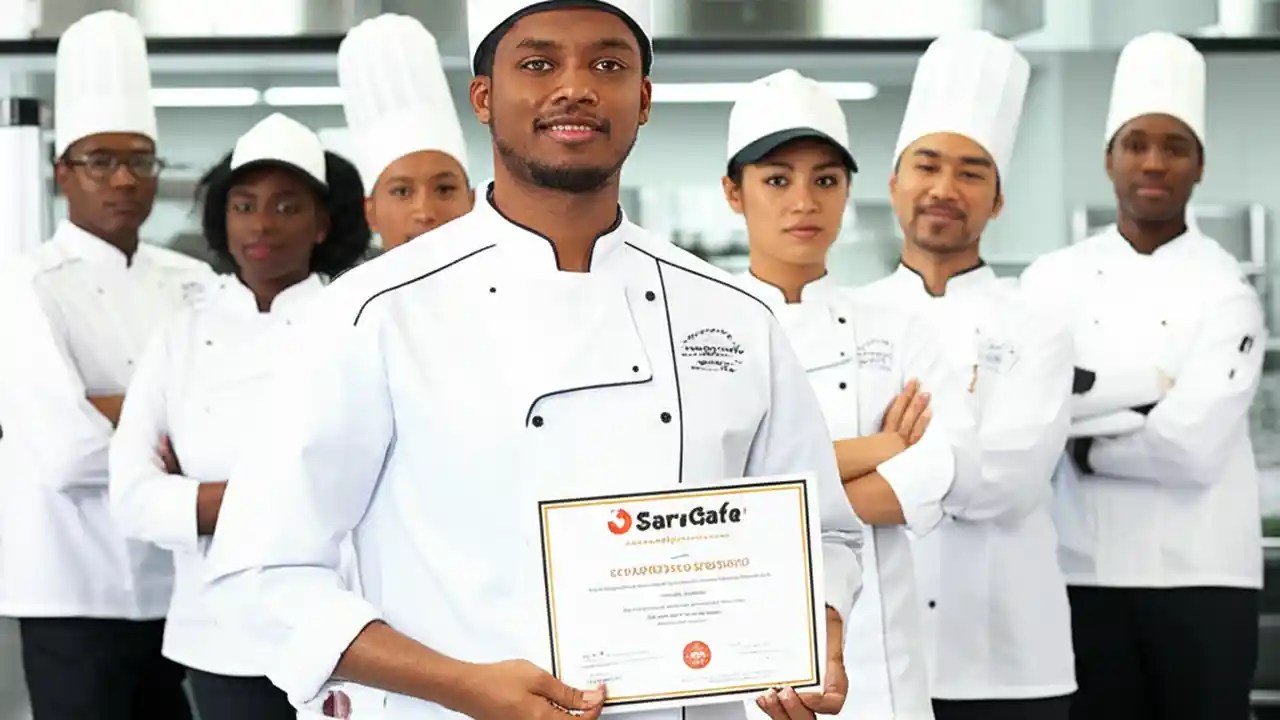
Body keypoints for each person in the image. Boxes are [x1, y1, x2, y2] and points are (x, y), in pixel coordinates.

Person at [203, 2, 863, 720]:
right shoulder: (375, 313)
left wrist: (813, 630)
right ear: (483, 97)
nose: (575, 87)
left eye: (608, 65)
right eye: (539, 63)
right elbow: (262, 570)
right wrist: (461, 685)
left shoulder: (733, 315)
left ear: (642, 99)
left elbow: (823, 533)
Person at [1021, 32, 1265, 720]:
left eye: (1174, 145)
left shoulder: (1229, 289)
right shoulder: (1050, 281)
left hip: (1207, 578)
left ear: (1199, 165)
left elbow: (1191, 448)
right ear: (1109, 158)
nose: (1153, 162)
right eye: (1136, 143)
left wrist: (1087, 440)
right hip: (1078, 572)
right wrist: (1152, 391)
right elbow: (1029, 412)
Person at [727, 70, 977, 720]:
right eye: (777, 179)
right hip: (748, 669)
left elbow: (947, 469)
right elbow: (704, 491)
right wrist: (886, 445)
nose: (804, 201)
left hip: (883, 672)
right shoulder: (705, 331)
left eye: (826, 180)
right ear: (734, 192)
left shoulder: (896, 331)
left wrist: (774, 498)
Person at [107, 112, 370, 720]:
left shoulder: (353, 323)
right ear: (222, 218)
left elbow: (377, 486)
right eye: (244, 204)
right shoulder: (180, 333)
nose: (261, 224)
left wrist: (200, 497)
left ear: (322, 221)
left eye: (286, 206)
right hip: (215, 630)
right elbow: (130, 496)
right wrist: (287, 496)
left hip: (341, 626)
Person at [0, 10, 213, 720]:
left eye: (141, 160)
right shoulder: (23, 285)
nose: (124, 179)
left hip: (186, 586)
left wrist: (117, 405)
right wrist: (169, 425)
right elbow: (63, 451)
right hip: (72, 587)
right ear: (63, 173)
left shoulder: (195, 281)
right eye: (100, 161)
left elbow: (229, 421)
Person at [859, 30, 1076, 720]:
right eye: (927, 166)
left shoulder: (1038, 326)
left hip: (1010, 659)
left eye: (972, 171)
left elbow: (1012, 483)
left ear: (998, 199)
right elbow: (811, 468)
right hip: (876, 656)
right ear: (894, 183)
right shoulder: (849, 319)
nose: (945, 190)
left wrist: (888, 456)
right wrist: (951, 459)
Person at [338, 13, 474, 250]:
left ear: (472, 202)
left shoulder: (513, 286)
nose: (425, 212)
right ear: (371, 213)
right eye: (402, 191)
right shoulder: (352, 289)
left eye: (444, 189)